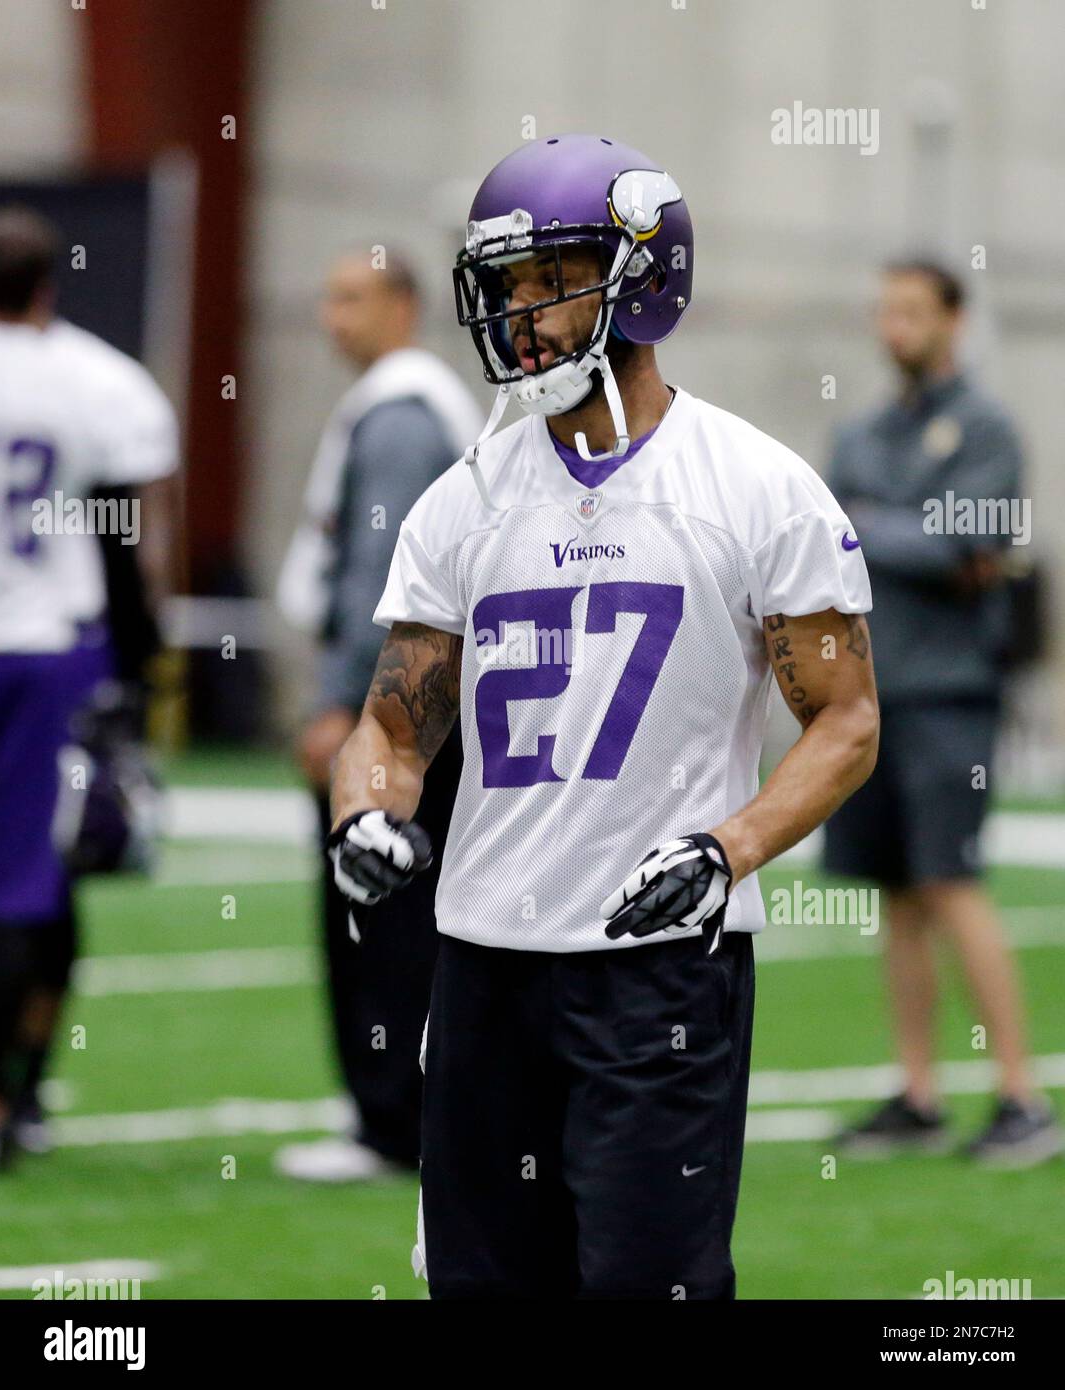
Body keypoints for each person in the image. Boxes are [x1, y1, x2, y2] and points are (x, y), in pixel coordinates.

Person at [326, 134, 878, 1299]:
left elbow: (844, 721)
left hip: (657, 971)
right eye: (506, 283)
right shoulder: (462, 501)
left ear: (642, 276)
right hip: (480, 963)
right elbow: (391, 729)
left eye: (550, 278)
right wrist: (368, 817)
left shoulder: (754, 487)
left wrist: (728, 850)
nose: (520, 312)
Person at [826, 259, 1061, 1165]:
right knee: (898, 897)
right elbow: (828, 524)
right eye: (884, 310)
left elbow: (976, 540)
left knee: (953, 883)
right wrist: (906, 528)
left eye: (912, 311)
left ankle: (1019, 1097)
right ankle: (918, 1094)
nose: (894, 326)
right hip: (872, 693)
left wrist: (874, 523)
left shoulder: (987, 425)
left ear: (952, 320)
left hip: (951, 696)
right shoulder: (865, 429)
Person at [274, 250, 481, 1181]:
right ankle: (404, 1111)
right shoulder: (407, 404)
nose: (331, 316)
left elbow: (383, 577)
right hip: (426, 701)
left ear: (403, 306)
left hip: (399, 708)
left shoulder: (400, 413)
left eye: (351, 297)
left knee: (376, 905)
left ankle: (391, 1118)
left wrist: (342, 704)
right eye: (326, 295)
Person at [0, 206, 179, 1168]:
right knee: (31, 881)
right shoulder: (95, 380)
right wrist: (143, 668)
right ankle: (15, 1094)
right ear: (48, 286)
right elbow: (143, 536)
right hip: (51, 651)